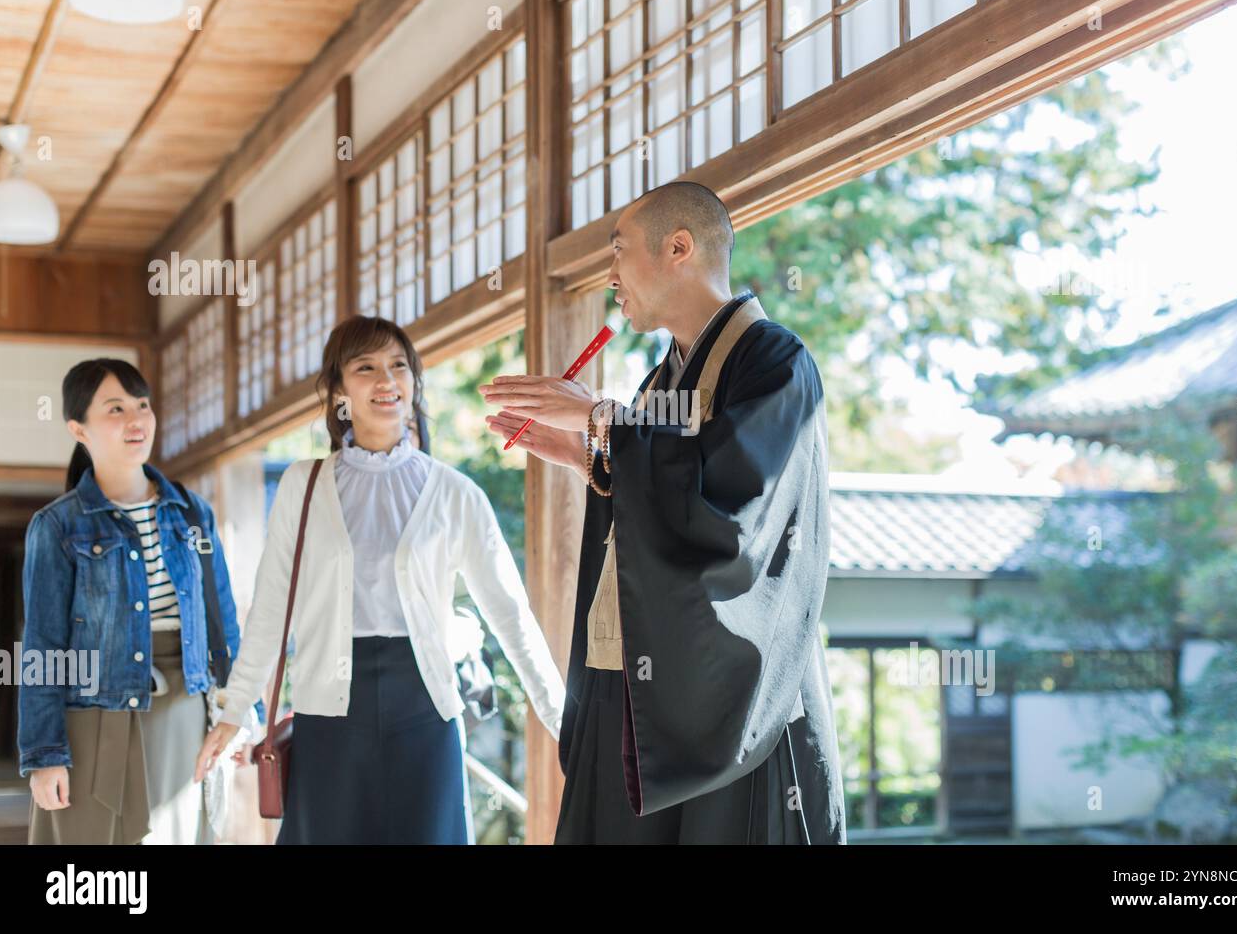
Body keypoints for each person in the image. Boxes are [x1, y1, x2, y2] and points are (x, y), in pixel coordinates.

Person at [480, 180, 846, 843]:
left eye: (619, 252)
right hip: (643, 683)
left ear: (679, 247)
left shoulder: (775, 362)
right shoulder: (660, 380)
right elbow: (673, 496)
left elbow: (734, 518)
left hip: (733, 694)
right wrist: (594, 462)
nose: (611, 275)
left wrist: (604, 423)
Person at [196, 314, 565, 844]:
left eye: (398, 366)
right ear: (338, 389)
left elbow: (510, 614)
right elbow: (272, 611)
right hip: (328, 714)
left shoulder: (456, 494)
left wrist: (559, 715)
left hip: (425, 711)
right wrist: (235, 710)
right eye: (365, 367)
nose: (386, 380)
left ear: (415, 381)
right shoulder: (304, 485)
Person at [20, 358, 243, 844]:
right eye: (115, 409)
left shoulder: (191, 512)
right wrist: (44, 755)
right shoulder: (57, 525)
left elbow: (221, 620)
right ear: (79, 429)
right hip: (90, 721)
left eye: (142, 405)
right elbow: (41, 646)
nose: (136, 420)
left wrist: (240, 713)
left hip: (184, 711)